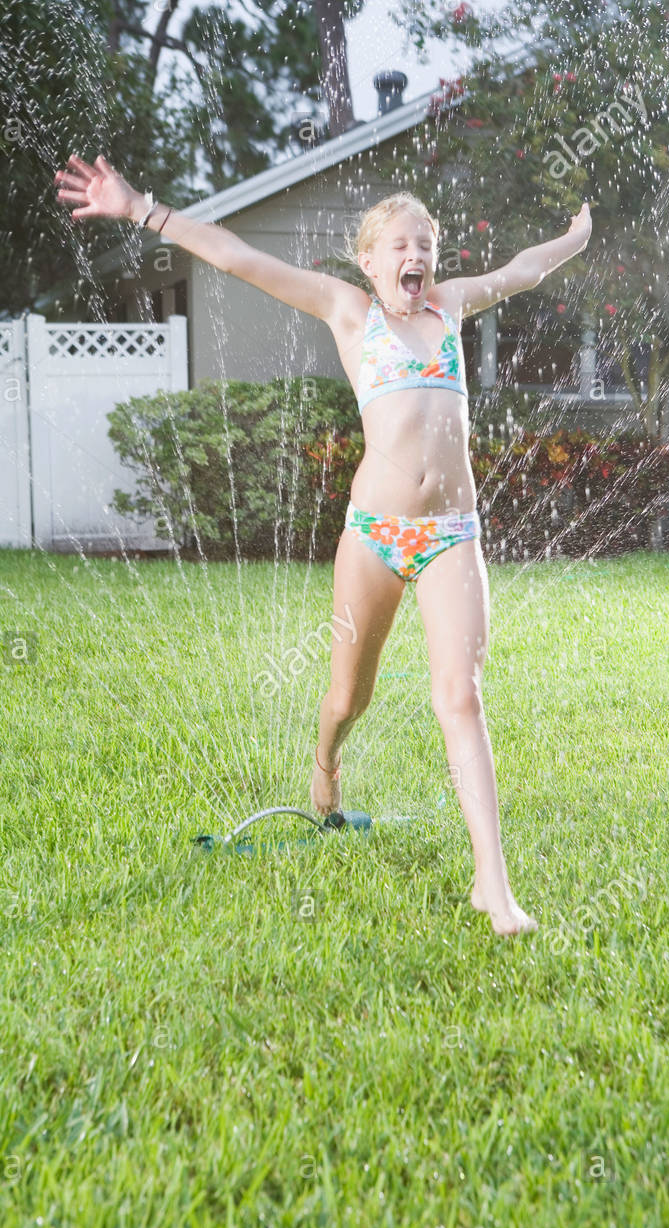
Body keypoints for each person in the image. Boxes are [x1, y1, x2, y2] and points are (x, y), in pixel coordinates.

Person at [55, 153, 592, 936]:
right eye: (399, 246)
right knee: (348, 697)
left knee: (460, 695)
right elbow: (241, 258)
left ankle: (493, 887)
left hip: (452, 535)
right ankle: (326, 764)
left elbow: (523, 271)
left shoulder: (448, 308)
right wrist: (141, 209)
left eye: (425, 244)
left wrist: (575, 237)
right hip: (373, 536)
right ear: (368, 260)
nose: (416, 257)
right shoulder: (351, 313)